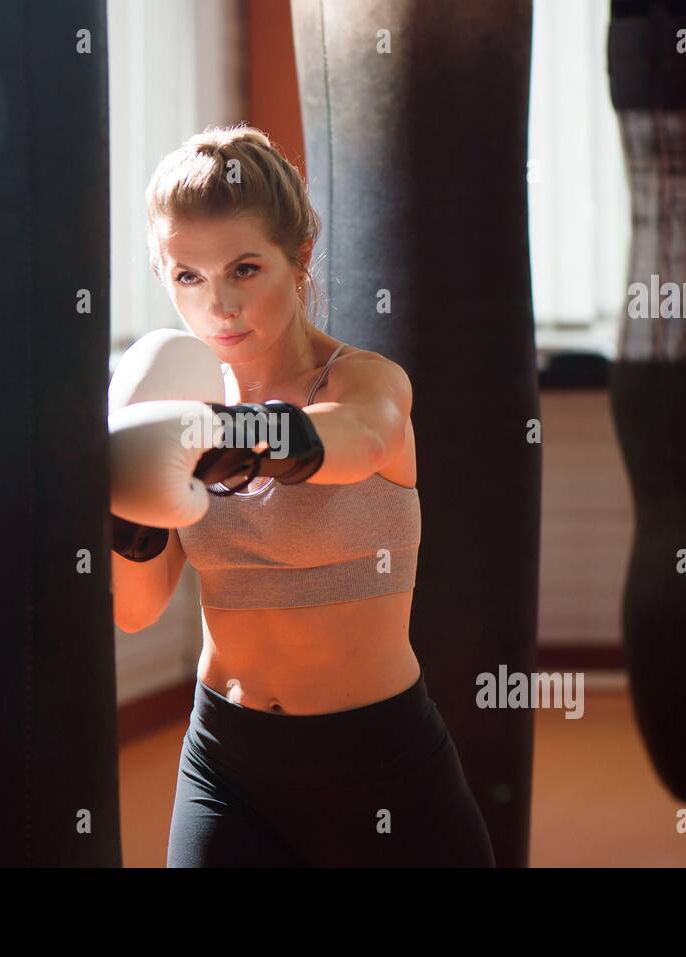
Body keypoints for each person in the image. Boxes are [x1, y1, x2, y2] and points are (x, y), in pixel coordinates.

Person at [109, 124, 494, 867]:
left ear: (300, 257)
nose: (219, 305)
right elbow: (135, 608)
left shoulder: (364, 381)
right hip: (228, 765)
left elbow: (360, 437)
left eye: (244, 269)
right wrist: (128, 497)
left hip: (383, 767)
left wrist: (225, 437)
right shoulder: (174, 398)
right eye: (188, 276)